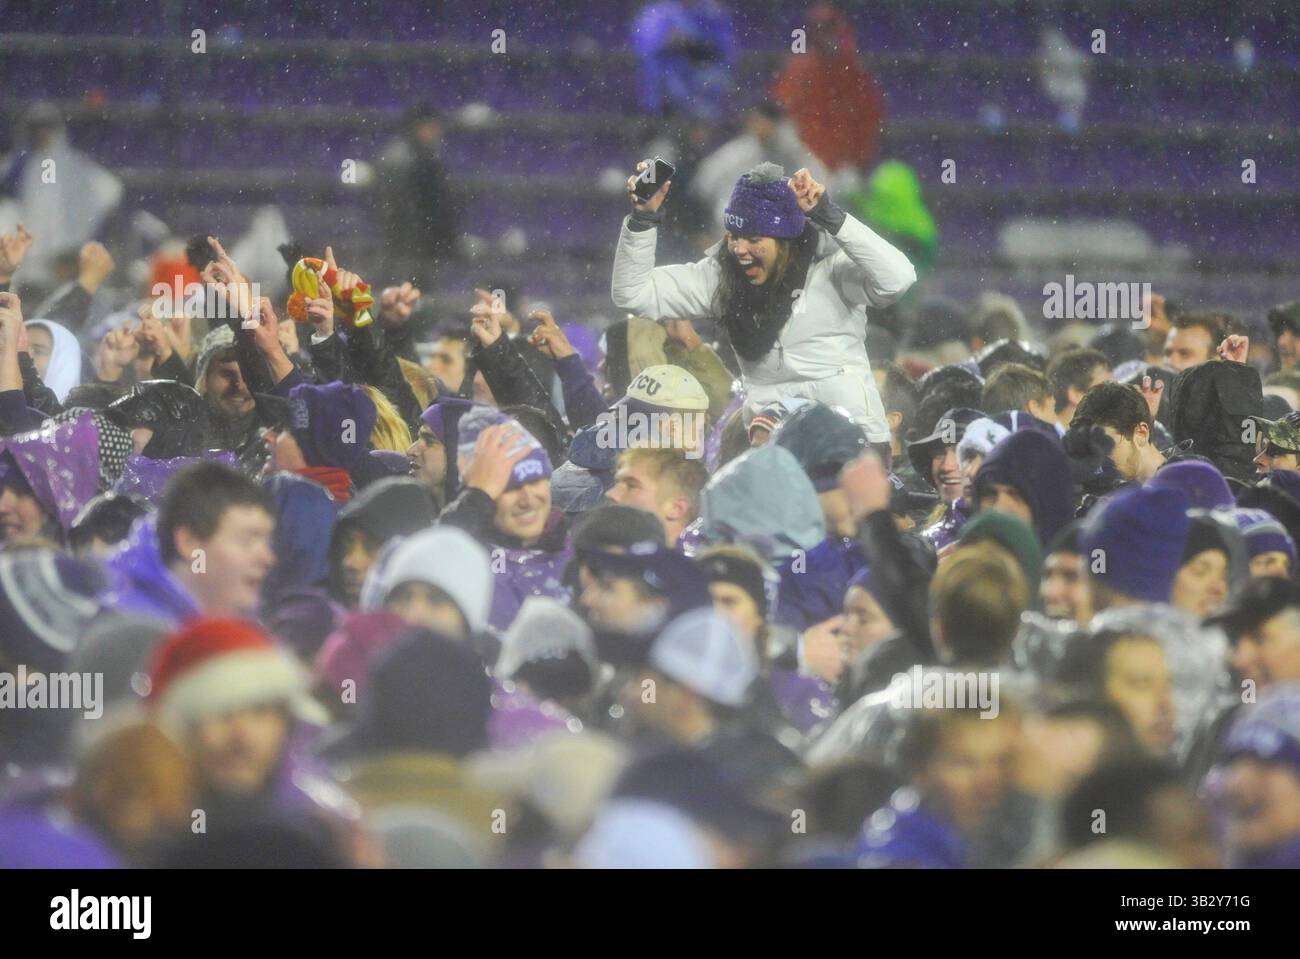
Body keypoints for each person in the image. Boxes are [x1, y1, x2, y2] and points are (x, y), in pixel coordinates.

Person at [613, 160, 916, 444]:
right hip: (771, 443)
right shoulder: (721, 276)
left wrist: (832, 218)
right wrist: (643, 219)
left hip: (851, 441)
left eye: (754, 239)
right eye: (734, 235)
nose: (739, 249)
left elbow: (898, 278)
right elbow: (633, 294)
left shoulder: (830, 267)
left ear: (785, 240)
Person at [103, 461, 276, 625]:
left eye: (267, 542)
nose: (267, 558)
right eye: (246, 541)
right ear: (190, 543)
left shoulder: (243, 630)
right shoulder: (128, 632)